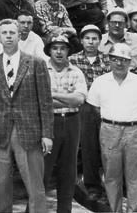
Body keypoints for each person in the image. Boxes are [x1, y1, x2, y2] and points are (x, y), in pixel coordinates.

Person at [0, 18, 52, 213]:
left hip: (29, 131)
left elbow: (45, 101)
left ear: (19, 35)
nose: (9, 36)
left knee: (34, 184)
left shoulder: (36, 63)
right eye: (4, 33)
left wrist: (47, 134)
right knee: (0, 183)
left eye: (12, 33)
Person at [86, 43, 137, 213]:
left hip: (135, 131)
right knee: (111, 175)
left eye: (124, 60)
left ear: (130, 62)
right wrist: (112, 122)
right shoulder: (100, 82)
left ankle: (136, 210)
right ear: (109, 60)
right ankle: (115, 210)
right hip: (109, 130)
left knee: (136, 176)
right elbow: (95, 109)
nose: (119, 63)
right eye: (115, 59)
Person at [44, 34, 87, 213]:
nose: (59, 52)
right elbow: (40, 100)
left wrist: (52, 95)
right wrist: (67, 99)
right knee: (43, 170)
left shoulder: (76, 72)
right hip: (49, 122)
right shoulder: (42, 70)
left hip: (71, 122)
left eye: (63, 48)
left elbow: (79, 100)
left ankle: (64, 210)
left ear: (68, 51)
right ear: (50, 50)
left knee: (68, 170)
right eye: (55, 48)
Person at [68, 25, 110, 207]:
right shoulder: (73, 60)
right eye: (87, 38)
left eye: (94, 38)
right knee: (89, 147)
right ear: (82, 40)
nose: (91, 42)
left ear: (100, 41)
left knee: (108, 147)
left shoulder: (108, 60)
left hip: (106, 106)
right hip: (85, 107)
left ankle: (111, 187)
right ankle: (92, 186)